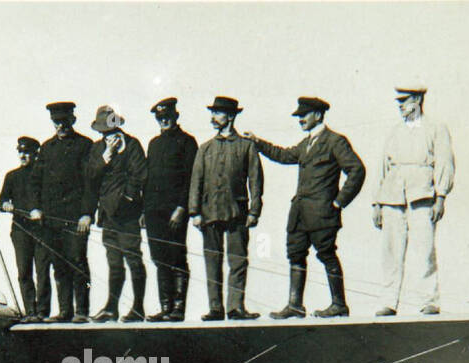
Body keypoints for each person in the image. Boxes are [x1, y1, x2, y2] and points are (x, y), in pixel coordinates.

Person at [246, 96, 365, 319]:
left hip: (322, 215)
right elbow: (283, 155)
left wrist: (339, 202)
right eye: (298, 116)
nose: (299, 119)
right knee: (296, 255)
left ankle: (339, 304)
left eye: (303, 115)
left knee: (327, 254)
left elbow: (357, 170)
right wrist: (258, 142)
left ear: (318, 115)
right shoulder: (306, 143)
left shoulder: (335, 141)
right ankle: (295, 305)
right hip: (299, 215)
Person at [371, 84, 455, 316]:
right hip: (392, 196)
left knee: (424, 249)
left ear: (417, 100)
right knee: (390, 251)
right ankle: (388, 301)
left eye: (405, 100)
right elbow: (382, 167)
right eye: (398, 101)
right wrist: (377, 203)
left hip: (422, 195)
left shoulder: (436, 128)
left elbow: (445, 162)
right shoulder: (394, 131)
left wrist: (441, 196)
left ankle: (429, 300)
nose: (400, 106)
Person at [188, 96, 263, 320]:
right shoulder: (205, 148)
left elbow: (256, 181)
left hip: (237, 212)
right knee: (213, 261)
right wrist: (195, 212)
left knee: (238, 261)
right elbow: (196, 181)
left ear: (230, 116)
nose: (213, 117)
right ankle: (215, 308)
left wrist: (254, 211)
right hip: (209, 213)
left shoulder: (246, 147)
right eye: (212, 113)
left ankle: (235, 307)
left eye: (217, 113)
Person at [29, 101, 96, 322]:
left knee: (77, 262)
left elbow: (90, 182)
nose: (61, 126)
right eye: (56, 122)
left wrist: (87, 213)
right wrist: (36, 208)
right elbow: (35, 182)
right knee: (58, 265)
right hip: (50, 219)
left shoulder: (85, 145)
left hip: (76, 218)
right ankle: (65, 311)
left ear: (73, 120)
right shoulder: (46, 148)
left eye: (64, 121)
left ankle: (82, 311)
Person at [87, 105, 149, 322]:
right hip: (107, 215)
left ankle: (138, 307)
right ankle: (111, 307)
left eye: (111, 131)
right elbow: (91, 176)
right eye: (104, 132)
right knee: (113, 261)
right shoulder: (97, 149)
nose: (108, 136)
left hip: (127, 214)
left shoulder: (132, 145)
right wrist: (107, 155)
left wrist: (128, 199)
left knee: (133, 258)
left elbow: (139, 174)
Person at [144, 97, 197, 322]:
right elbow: (147, 180)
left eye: (167, 117)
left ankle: (178, 308)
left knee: (176, 256)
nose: (164, 121)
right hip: (154, 211)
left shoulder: (187, 142)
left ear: (176, 116)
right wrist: (143, 211)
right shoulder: (154, 144)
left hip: (174, 211)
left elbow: (190, 179)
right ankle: (165, 306)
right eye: (160, 118)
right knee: (159, 258)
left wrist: (181, 208)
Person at [0, 136, 48, 320]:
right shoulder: (12, 176)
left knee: (42, 271)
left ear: (35, 154)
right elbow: (0, 200)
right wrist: (5, 205)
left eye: (27, 152)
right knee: (24, 271)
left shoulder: (44, 175)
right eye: (20, 152)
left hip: (41, 229)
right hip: (20, 230)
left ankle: (42, 311)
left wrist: (40, 211)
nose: (23, 156)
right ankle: (30, 311)